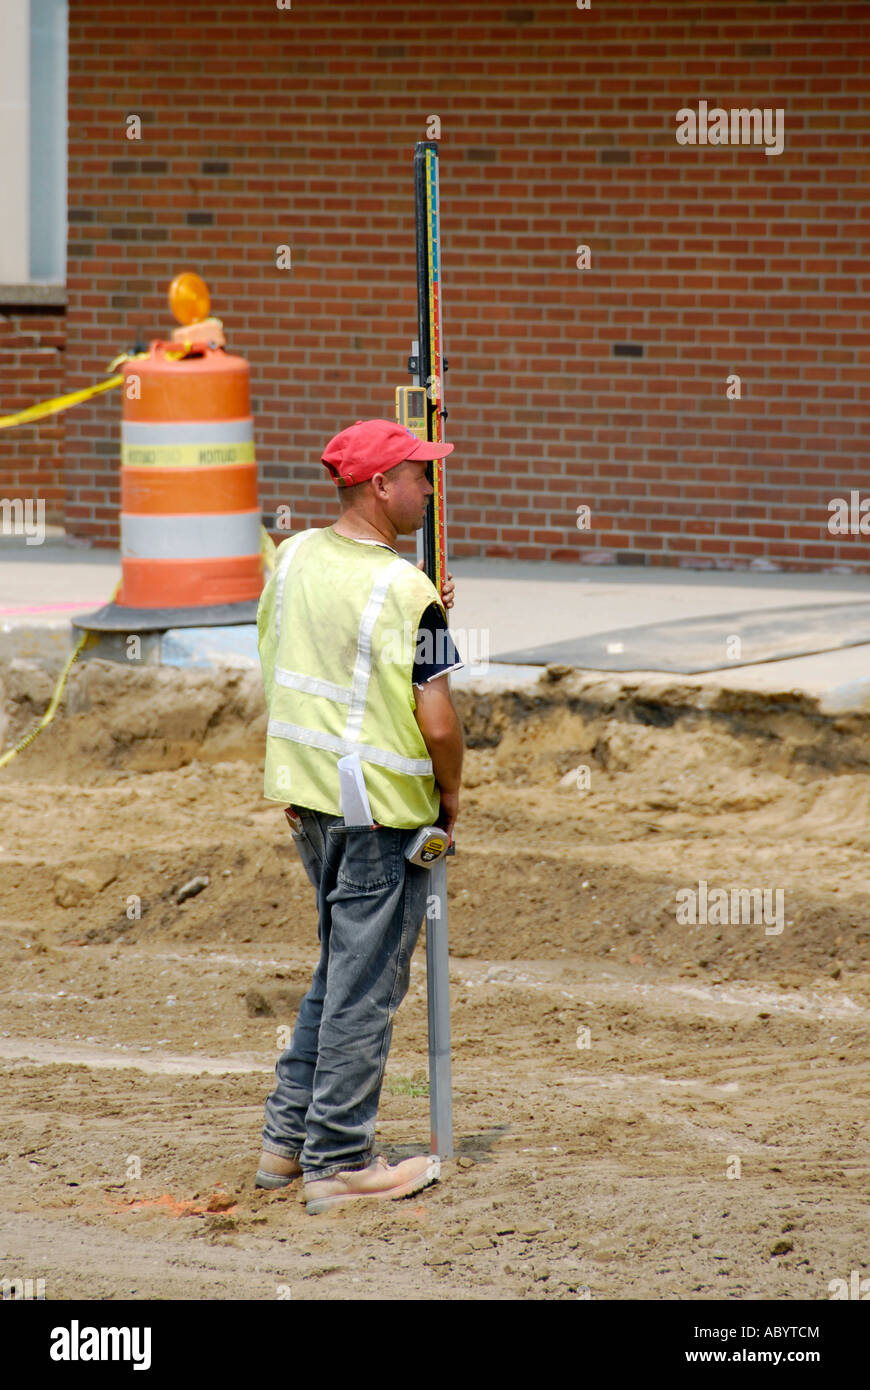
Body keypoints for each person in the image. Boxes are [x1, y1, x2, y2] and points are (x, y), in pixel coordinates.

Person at [254, 418, 465, 1215]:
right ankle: (339, 1160)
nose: (429, 489)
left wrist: (422, 614)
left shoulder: (295, 553)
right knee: (364, 988)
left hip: (310, 800)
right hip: (380, 813)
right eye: (418, 475)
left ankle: (286, 1143)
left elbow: (300, 646)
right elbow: (437, 722)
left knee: (338, 972)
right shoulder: (404, 589)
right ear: (380, 485)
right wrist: (452, 798)